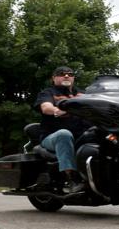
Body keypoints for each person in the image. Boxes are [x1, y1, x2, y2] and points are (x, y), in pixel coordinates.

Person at [34, 66, 90, 194]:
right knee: (64, 134)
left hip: (80, 136)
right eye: (61, 74)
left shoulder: (83, 94)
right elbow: (45, 106)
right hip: (52, 137)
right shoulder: (48, 92)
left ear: (73, 78)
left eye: (70, 74)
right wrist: (56, 110)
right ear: (53, 78)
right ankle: (70, 179)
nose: (66, 76)